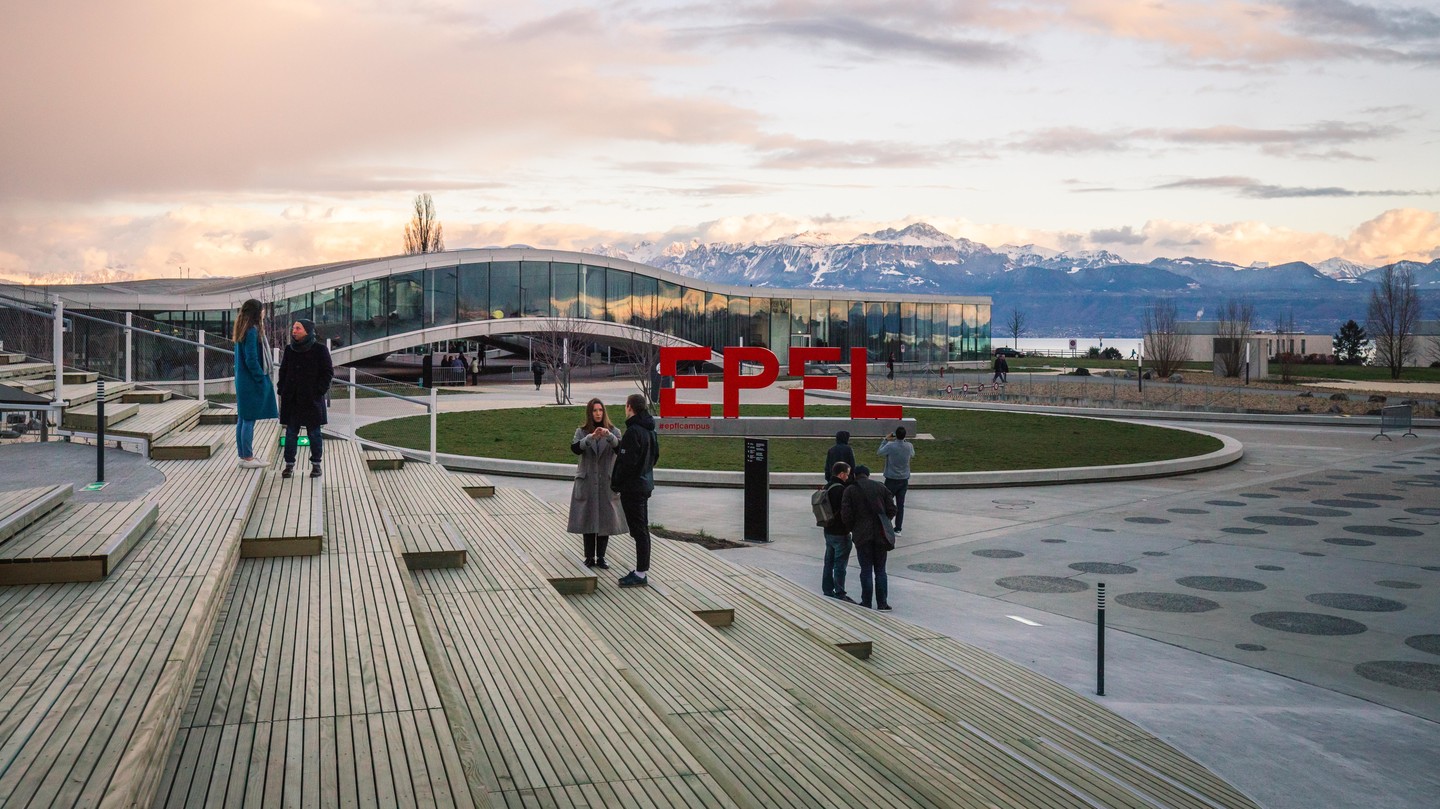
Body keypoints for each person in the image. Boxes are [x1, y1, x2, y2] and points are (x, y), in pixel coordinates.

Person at [567, 398, 626, 569]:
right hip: (587, 482)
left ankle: (601, 556)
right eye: (594, 410)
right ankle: (589, 557)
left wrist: (609, 437)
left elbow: (620, 449)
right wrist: (590, 438)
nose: (598, 413)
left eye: (600, 410)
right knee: (588, 519)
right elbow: (575, 448)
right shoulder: (581, 431)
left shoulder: (614, 431)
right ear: (590, 412)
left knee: (604, 521)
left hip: (605, 482)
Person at [611, 393, 659, 587]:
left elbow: (626, 463)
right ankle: (640, 570)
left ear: (629, 407)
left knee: (639, 530)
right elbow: (655, 457)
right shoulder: (650, 431)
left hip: (633, 488)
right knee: (642, 529)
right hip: (644, 484)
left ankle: (640, 573)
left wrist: (617, 483)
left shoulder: (633, 432)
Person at [277, 319, 333, 479]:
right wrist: (282, 389)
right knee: (290, 433)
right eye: (293, 328)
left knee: (314, 433)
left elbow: (328, 372)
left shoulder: (320, 349)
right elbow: (283, 370)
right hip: (292, 399)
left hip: (311, 399)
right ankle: (289, 465)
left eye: (298, 328)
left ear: (307, 331)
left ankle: (316, 465)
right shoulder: (289, 349)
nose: (294, 331)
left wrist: (318, 391)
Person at [841, 465, 897, 611]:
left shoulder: (850, 490)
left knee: (865, 569)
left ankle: (866, 602)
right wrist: (884, 521)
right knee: (880, 570)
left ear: (855, 475)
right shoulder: (880, 487)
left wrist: (853, 527)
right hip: (881, 534)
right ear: (868, 474)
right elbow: (892, 509)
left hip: (862, 535)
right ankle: (882, 603)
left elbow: (846, 515)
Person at [232, 299, 277, 469]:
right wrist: (260, 377)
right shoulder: (251, 331)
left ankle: (244, 455)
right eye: (262, 310)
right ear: (257, 313)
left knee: (243, 418)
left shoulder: (242, 329)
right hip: (250, 382)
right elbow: (251, 359)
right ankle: (248, 457)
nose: (264, 313)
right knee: (249, 419)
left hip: (243, 381)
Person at [821, 462, 855, 602]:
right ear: (841, 474)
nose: (847, 477)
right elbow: (845, 512)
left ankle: (827, 589)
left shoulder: (827, 487)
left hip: (828, 530)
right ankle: (840, 592)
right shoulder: (841, 490)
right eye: (847, 474)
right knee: (840, 564)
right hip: (840, 532)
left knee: (828, 561)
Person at [878, 426, 914, 533]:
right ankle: (898, 528)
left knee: (886, 503)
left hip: (891, 479)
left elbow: (879, 452)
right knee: (900, 505)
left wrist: (885, 440)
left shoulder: (890, 446)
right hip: (903, 480)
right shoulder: (909, 446)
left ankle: (885, 525)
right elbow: (912, 454)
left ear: (895, 435)